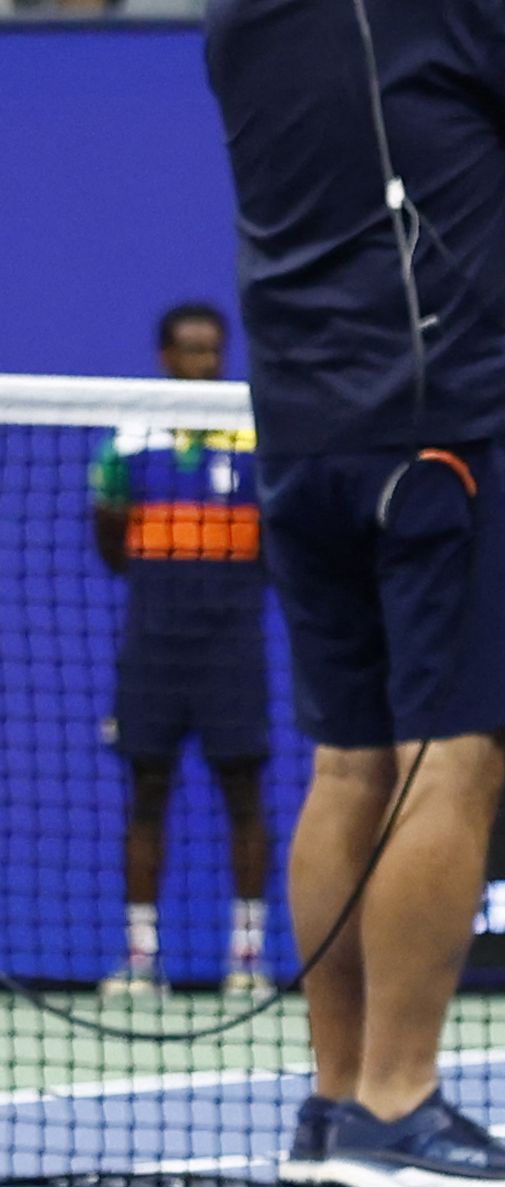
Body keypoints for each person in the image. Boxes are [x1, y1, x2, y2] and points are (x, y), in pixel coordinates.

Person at [203, 0, 505, 1187]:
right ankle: (398, 1104)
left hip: (299, 433)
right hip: (441, 432)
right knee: (449, 758)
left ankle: (335, 1102)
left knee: (350, 762)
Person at [91, 302, 274, 1003]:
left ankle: (247, 960)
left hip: (233, 646)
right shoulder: (129, 440)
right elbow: (110, 541)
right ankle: (140, 959)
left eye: (214, 349)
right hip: (153, 647)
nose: (205, 362)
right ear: (165, 357)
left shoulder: (256, 435)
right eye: (191, 350)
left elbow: (278, 540)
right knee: (147, 794)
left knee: (245, 796)